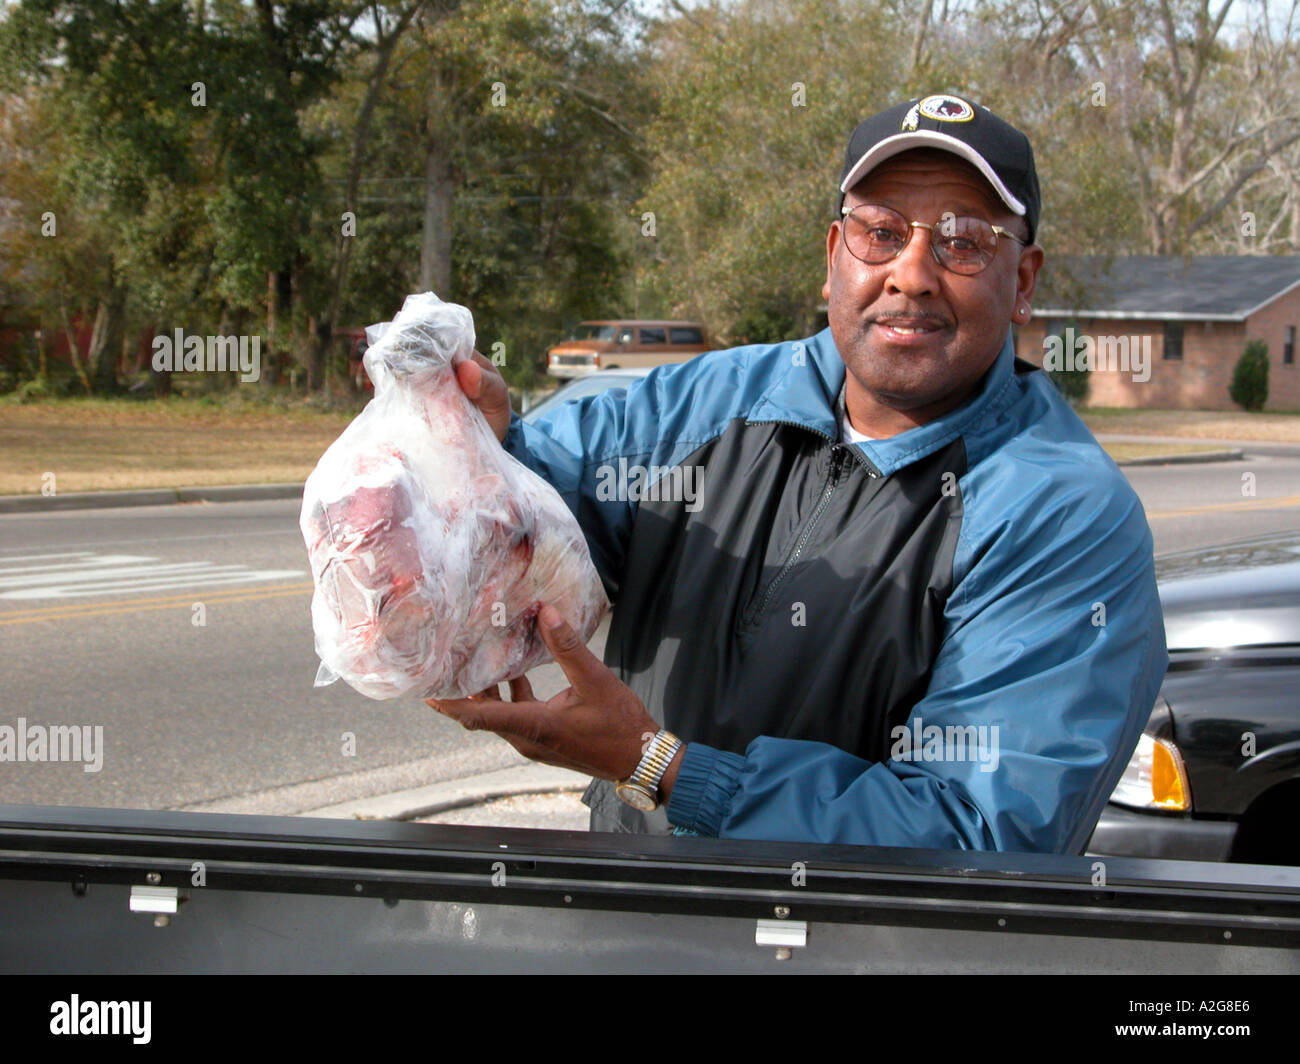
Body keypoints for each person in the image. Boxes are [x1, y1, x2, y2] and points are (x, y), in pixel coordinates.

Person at [428, 93, 1169, 853]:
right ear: (832, 258)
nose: (911, 274)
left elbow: (980, 833)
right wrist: (484, 450)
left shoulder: (1061, 512)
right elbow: (546, 492)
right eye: (879, 233)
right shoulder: (711, 403)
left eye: (965, 242)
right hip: (630, 914)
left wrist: (659, 767)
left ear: (1023, 284)